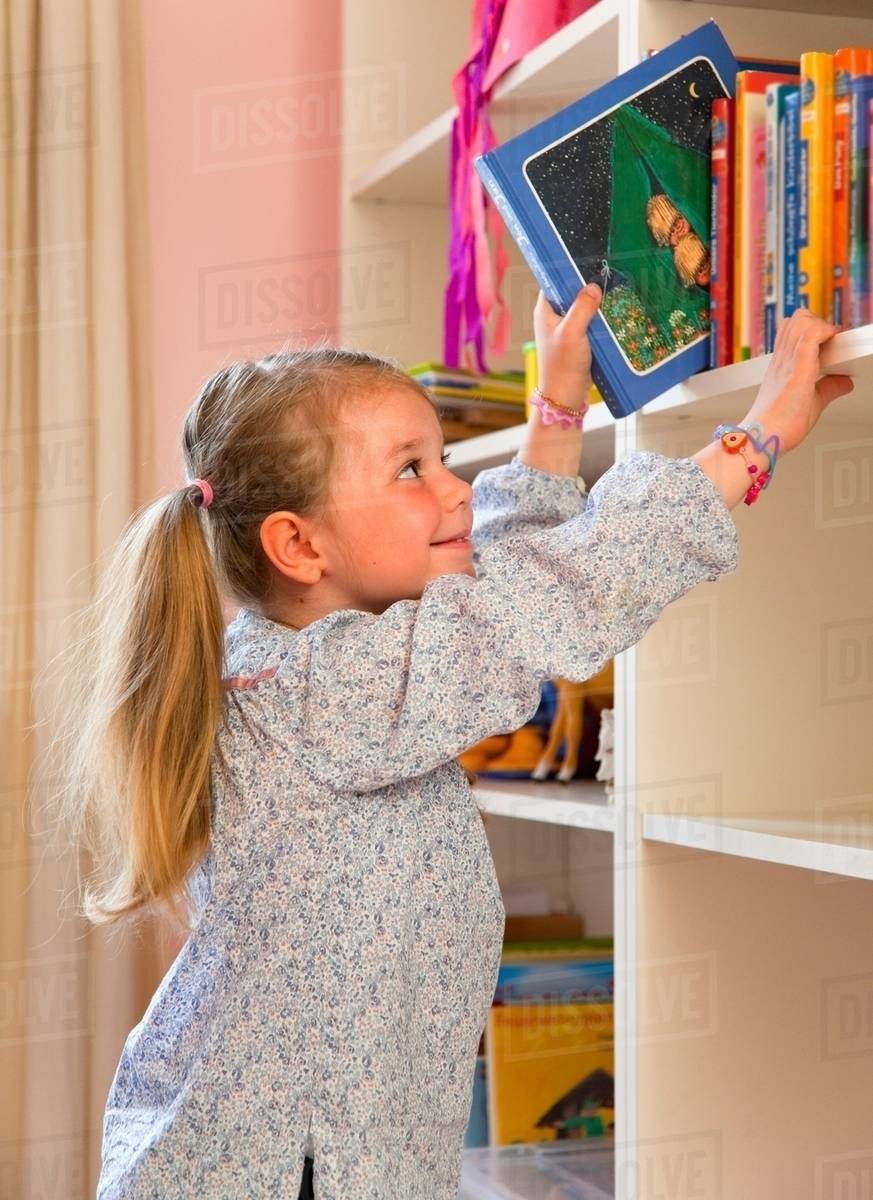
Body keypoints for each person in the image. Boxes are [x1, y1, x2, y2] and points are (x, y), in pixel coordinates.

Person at [50, 284, 852, 1199]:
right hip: (284, 1173)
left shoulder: (316, 669)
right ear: (297, 546)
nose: (453, 487)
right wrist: (751, 440)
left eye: (442, 458)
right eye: (409, 471)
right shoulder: (324, 692)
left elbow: (503, 587)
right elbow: (538, 603)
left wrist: (554, 412)